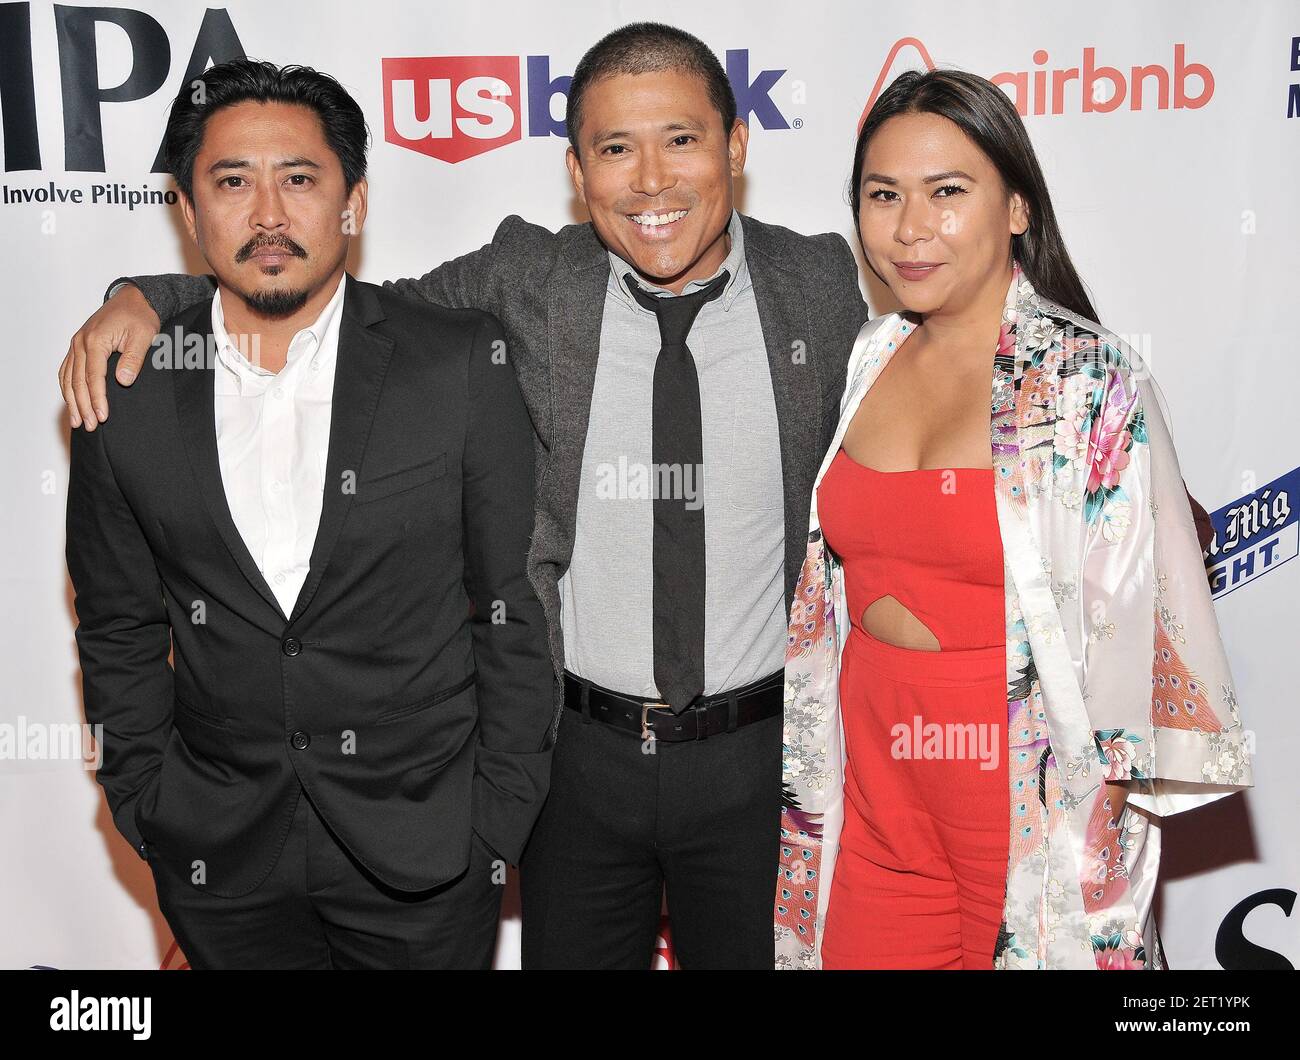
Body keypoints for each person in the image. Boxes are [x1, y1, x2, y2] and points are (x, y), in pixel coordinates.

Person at [58, 23, 870, 969]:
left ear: (736, 146)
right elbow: (324, 294)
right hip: (579, 759)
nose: (652, 180)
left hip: (762, 756)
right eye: (616, 148)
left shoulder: (819, 288)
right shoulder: (531, 279)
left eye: (681, 139)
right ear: (576, 168)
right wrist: (147, 295)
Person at [64, 59, 552, 969]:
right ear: (187, 210)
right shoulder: (124, 387)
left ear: (353, 203)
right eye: (232, 181)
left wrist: (496, 822)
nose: (269, 214)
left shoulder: (455, 365)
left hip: (428, 857)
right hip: (222, 854)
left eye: (299, 178)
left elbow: (509, 605)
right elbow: (119, 625)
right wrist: (147, 801)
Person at [774, 69, 1254, 970]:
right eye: (883, 196)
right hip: (874, 776)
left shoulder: (1085, 376)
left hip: (1027, 784)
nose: (911, 227)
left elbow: (1134, 616)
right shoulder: (874, 353)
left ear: (1019, 209)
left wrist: (1102, 812)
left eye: (947, 193)